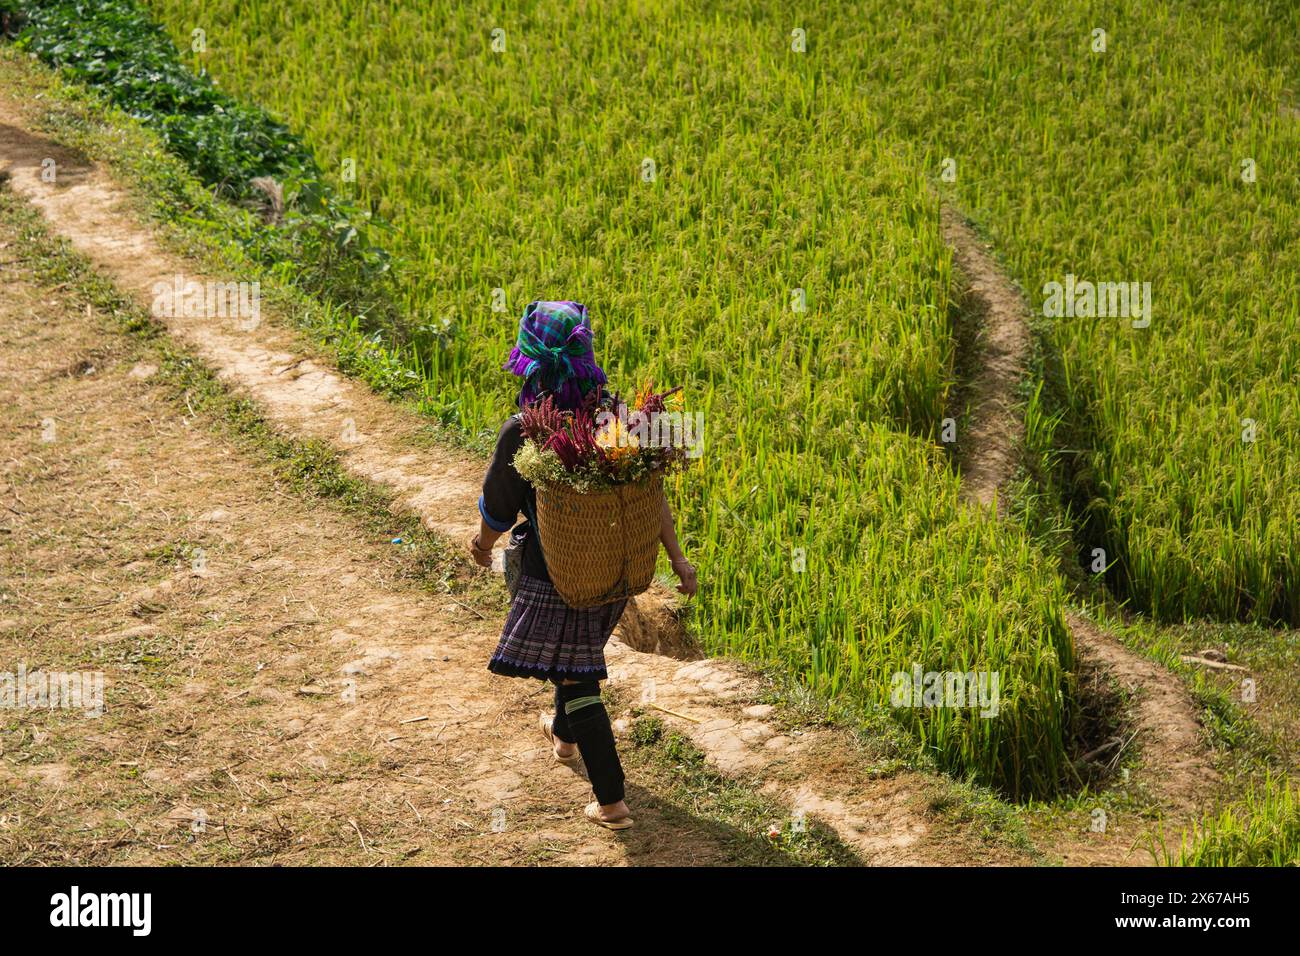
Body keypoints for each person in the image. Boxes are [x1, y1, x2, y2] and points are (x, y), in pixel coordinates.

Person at [469, 300, 698, 830]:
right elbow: (650, 493)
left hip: (558, 577)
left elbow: (498, 509)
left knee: (579, 681)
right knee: (573, 657)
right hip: (615, 571)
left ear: (527, 361)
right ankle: (563, 736)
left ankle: (611, 802)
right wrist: (678, 559)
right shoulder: (617, 419)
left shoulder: (524, 430)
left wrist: (481, 546)